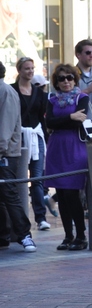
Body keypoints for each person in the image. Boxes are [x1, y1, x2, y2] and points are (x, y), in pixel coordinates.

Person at [44, 64, 89, 250]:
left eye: (69, 77)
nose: (66, 82)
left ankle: (81, 236)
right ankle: (68, 235)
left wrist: (63, 121)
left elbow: (80, 122)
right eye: (61, 78)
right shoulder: (51, 99)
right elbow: (49, 122)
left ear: (75, 79)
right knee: (61, 194)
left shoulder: (82, 97)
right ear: (56, 82)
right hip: (56, 149)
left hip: (75, 149)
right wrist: (71, 117)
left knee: (72, 193)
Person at [0, 63, 33, 252]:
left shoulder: (5, 92)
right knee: (4, 196)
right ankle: (3, 235)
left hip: (5, 153)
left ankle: (24, 234)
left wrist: (1, 149)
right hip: (4, 151)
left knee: (10, 194)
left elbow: (5, 127)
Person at [14, 57, 50, 231]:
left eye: (32, 68)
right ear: (19, 70)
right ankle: (19, 220)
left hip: (36, 136)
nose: (30, 71)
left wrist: (46, 139)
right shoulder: (12, 90)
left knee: (37, 178)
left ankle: (41, 217)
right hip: (18, 137)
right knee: (18, 179)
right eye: (26, 68)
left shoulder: (39, 94)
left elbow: (43, 118)